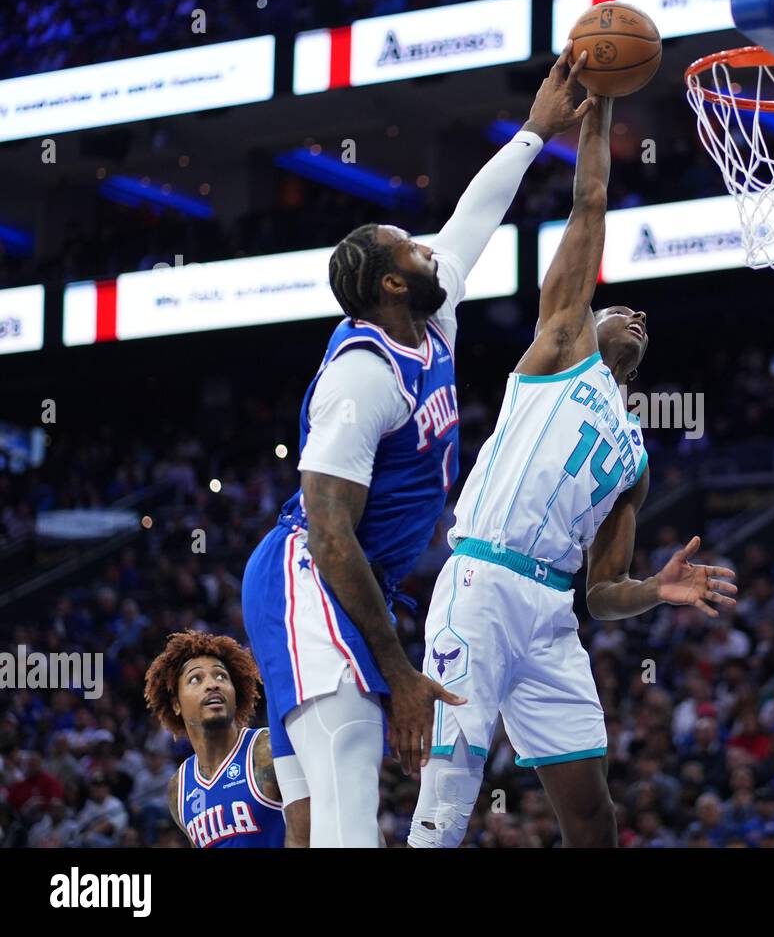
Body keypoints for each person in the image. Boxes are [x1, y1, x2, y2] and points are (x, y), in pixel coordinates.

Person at [240, 46, 596, 847]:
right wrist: (399, 675)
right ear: (390, 284)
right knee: (347, 801)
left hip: (355, 581)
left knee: (318, 825)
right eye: (412, 246)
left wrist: (536, 132)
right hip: (308, 573)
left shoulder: (432, 314)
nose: (432, 248)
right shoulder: (363, 375)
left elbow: (476, 216)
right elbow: (332, 536)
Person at [408, 91, 736, 848]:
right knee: (449, 797)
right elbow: (590, 204)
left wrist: (654, 590)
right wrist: (602, 107)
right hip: (483, 583)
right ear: (586, 321)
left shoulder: (635, 458)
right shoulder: (560, 352)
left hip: (552, 615)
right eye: (619, 308)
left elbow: (602, 595)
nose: (638, 316)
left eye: (644, 318)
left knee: (593, 814)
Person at [144, 631, 286, 848]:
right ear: (176, 704)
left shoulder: (266, 749)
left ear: (235, 695)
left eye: (221, 676)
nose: (212, 685)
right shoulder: (179, 788)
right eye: (195, 679)